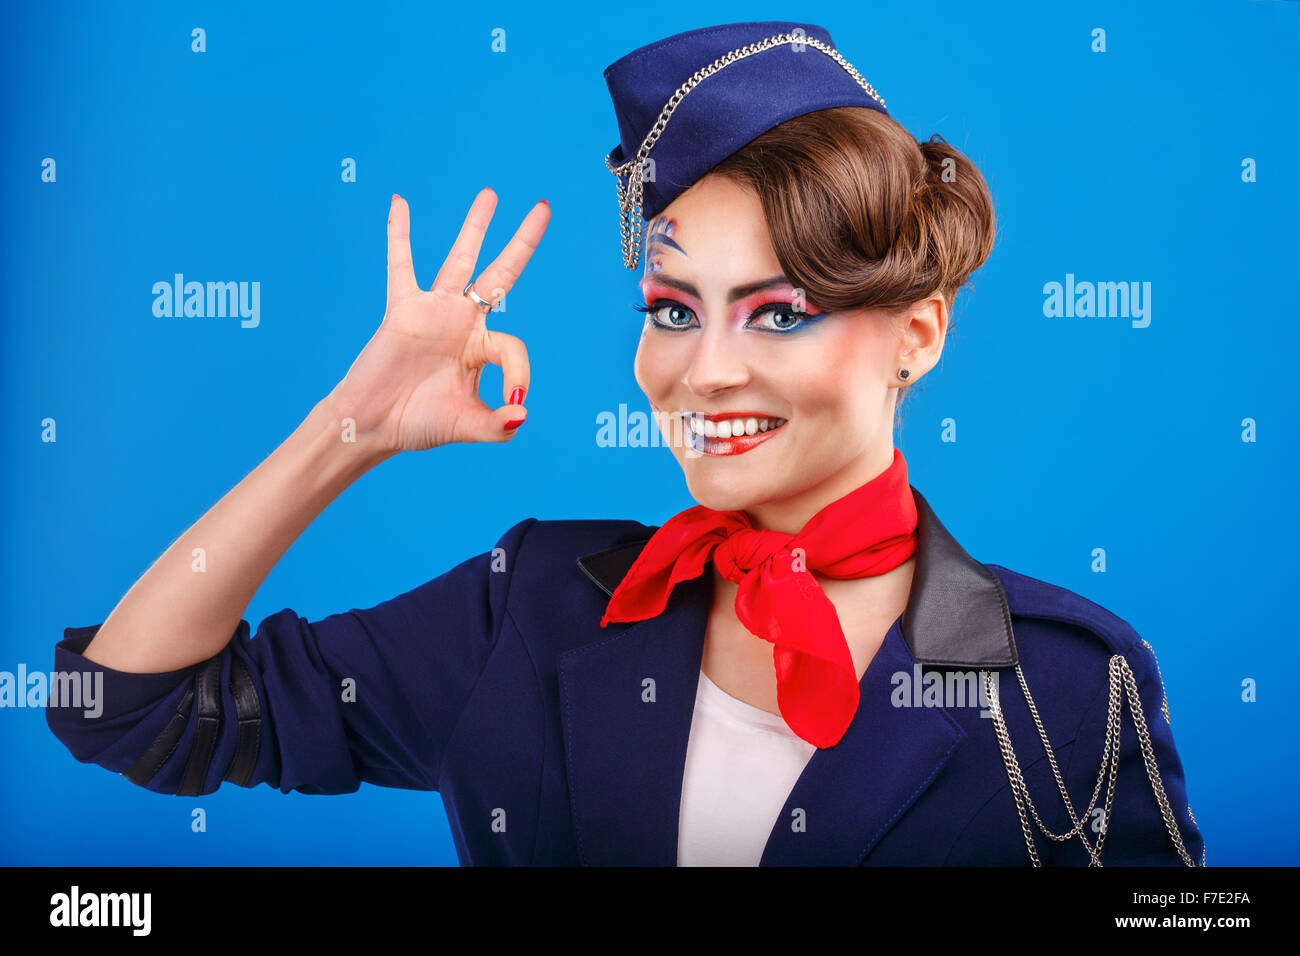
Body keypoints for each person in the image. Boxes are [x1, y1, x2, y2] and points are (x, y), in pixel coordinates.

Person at [45, 20, 1203, 867]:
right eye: (671, 308)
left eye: (780, 311)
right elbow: (123, 705)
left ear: (918, 334)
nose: (703, 370)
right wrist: (344, 431)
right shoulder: (535, 605)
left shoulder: (1067, 683)